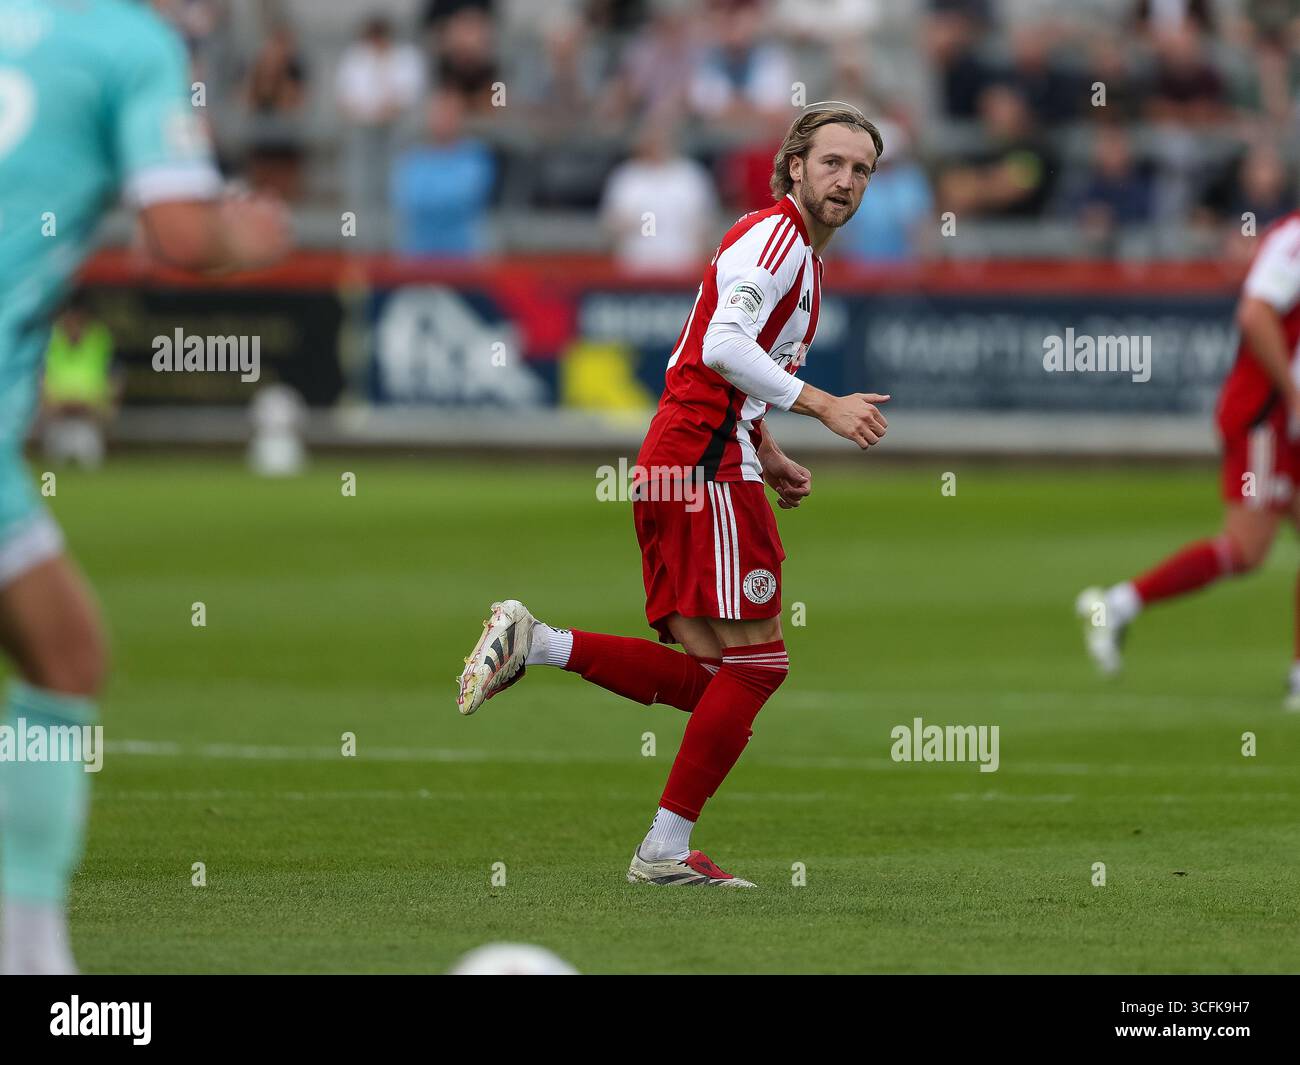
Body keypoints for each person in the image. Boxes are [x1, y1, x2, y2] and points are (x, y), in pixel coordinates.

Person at [456, 103, 891, 887]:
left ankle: (538, 641)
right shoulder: (778, 239)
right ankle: (662, 849)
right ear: (794, 165)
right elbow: (723, 345)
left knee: (719, 678)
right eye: (832, 162)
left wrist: (770, 446)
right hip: (701, 462)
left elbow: (714, 359)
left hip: (687, 453)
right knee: (759, 667)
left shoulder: (797, 254)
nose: (846, 180)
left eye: (861, 169)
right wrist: (822, 404)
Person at [0, 0, 291, 974]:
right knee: (66, 662)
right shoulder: (131, 46)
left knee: (66, 653)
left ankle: (33, 958)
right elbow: (176, 229)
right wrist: (249, 231)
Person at [1077, 210, 1300, 710]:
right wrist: (1293, 394)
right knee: (1245, 550)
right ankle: (1118, 604)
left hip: (1283, 417)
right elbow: (1255, 314)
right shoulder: (1295, 238)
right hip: (1267, 417)